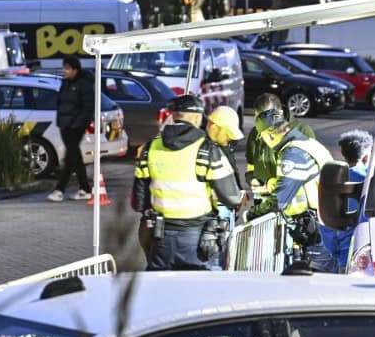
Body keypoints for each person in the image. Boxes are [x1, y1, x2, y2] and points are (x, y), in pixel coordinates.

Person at [131, 94, 242, 270]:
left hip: (161, 237)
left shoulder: (150, 148)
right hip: (197, 238)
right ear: (197, 118)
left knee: (160, 284)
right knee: (197, 285)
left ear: (174, 116)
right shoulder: (207, 150)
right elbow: (232, 197)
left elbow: (138, 202)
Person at [252, 107, 335, 271]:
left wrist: (253, 214)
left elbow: (279, 201)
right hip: (326, 224)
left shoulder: (293, 154)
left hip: (313, 231)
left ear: (269, 135)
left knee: (314, 278)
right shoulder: (309, 144)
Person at [245, 93, 314, 214]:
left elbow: (308, 173)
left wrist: (274, 183)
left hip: (295, 207)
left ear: (278, 113)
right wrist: (253, 181)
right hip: (263, 203)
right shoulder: (255, 134)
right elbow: (251, 165)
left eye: (265, 117)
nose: (261, 123)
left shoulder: (302, 131)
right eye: (258, 118)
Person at [319, 129, 373, 273]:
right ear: (366, 157)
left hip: (341, 255)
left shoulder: (334, 179)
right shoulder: (370, 181)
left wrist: (335, 251)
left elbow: (326, 222)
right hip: (365, 254)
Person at [204, 104, 249, 265]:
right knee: (214, 262)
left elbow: (232, 174)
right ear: (214, 127)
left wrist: (239, 192)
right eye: (227, 133)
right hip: (213, 214)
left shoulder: (225, 147)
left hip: (225, 211)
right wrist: (236, 197)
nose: (230, 138)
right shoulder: (205, 150)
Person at [50, 54, 92, 201]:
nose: (64, 71)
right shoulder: (65, 84)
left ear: (75, 70)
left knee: (70, 157)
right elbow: (61, 103)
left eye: (67, 68)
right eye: (64, 68)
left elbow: (87, 107)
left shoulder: (84, 84)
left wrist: (77, 124)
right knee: (75, 157)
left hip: (76, 126)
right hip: (65, 125)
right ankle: (85, 188)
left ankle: (59, 189)